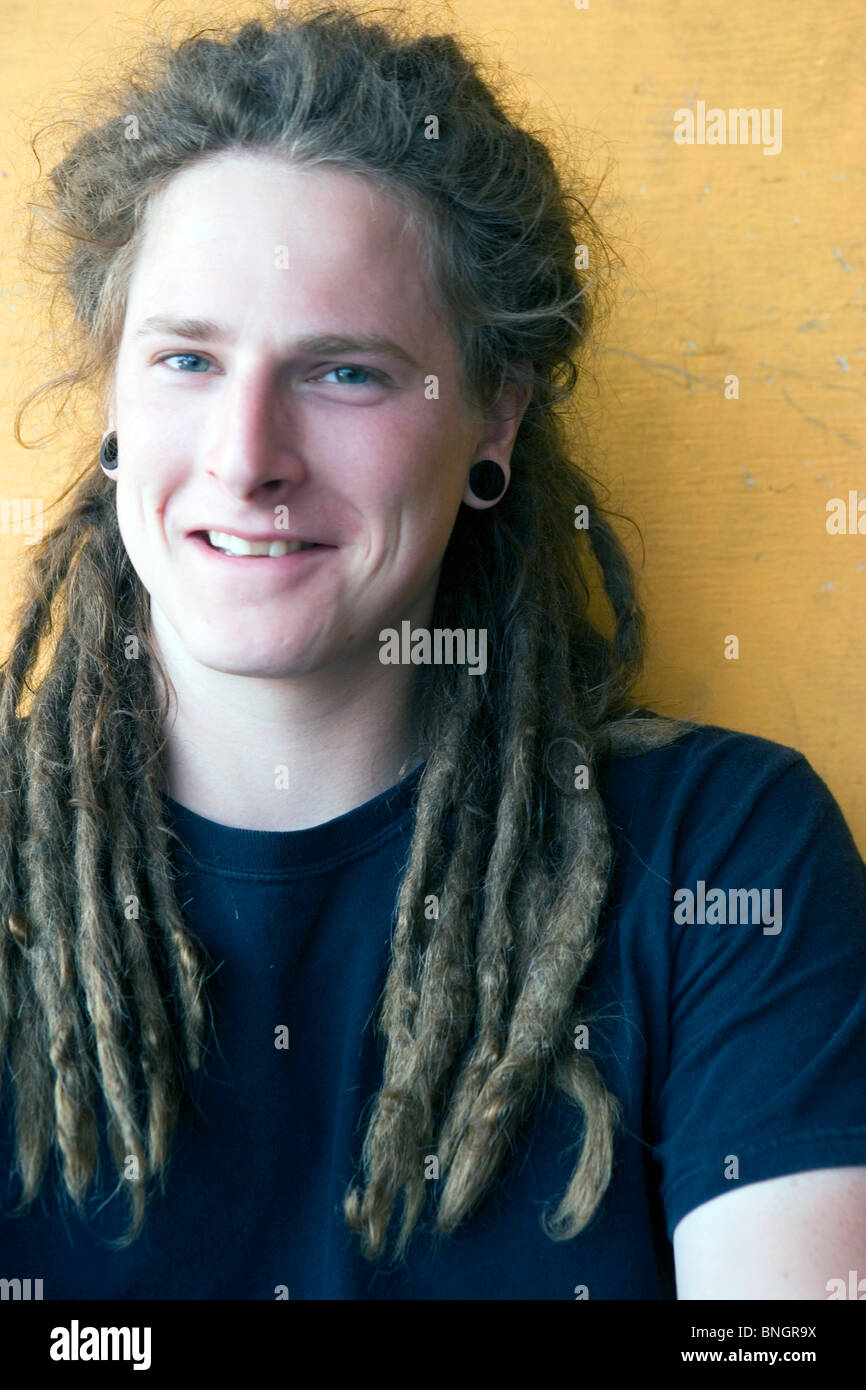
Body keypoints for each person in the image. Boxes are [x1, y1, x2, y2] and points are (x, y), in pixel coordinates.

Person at [1, 4, 864, 1301]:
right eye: (185, 357)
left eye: (342, 373)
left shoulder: (724, 854)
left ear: (491, 419)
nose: (247, 456)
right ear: (114, 397)